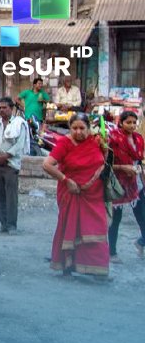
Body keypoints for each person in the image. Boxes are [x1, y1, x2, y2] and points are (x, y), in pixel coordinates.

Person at [42, 113, 109, 278]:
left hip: (94, 195)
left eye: (82, 128)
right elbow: (47, 164)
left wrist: (105, 147)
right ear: (69, 128)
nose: (78, 132)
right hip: (71, 193)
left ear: (89, 128)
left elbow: (103, 162)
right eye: (74, 128)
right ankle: (68, 265)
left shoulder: (96, 141)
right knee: (70, 227)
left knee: (96, 227)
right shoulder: (64, 143)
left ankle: (96, 269)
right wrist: (66, 180)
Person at [0, 97, 29, 234]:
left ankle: (11, 224)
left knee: (11, 196)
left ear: (11, 108)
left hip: (10, 164)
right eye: (0, 108)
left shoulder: (19, 124)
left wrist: (6, 156)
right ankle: (3, 223)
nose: (1, 110)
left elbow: (19, 144)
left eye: (5, 107)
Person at [107, 111, 145, 262]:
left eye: (134, 122)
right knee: (116, 219)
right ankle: (112, 253)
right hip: (117, 183)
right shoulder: (113, 138)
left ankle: (141, 242)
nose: (132, 125)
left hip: (135, 183)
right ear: (121, 123)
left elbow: (139, 163)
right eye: (128, 122)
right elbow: (106, 164)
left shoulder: (139, 139)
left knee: (142, 216)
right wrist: (124, 168)